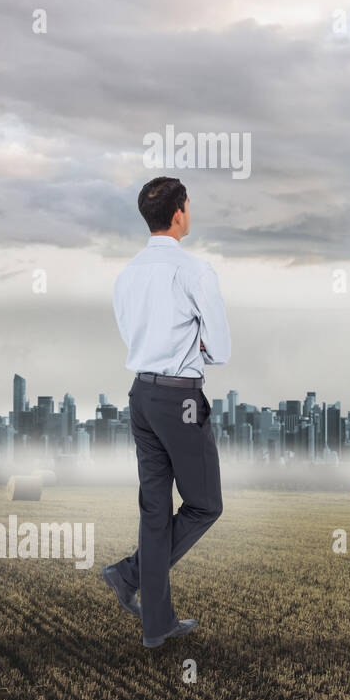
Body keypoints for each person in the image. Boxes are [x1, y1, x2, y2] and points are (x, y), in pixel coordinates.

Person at [104, 176, 230, 648]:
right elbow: (221, 348)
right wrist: (196, 344)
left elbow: (134, 334)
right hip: (179, 399)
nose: (190, 213)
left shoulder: (127, 275)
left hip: (141, 396)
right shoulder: (194, 272)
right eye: (189, 206)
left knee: (155, 511)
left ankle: (156, 627)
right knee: (205, 504)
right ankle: (129, 572)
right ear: (178, 213)